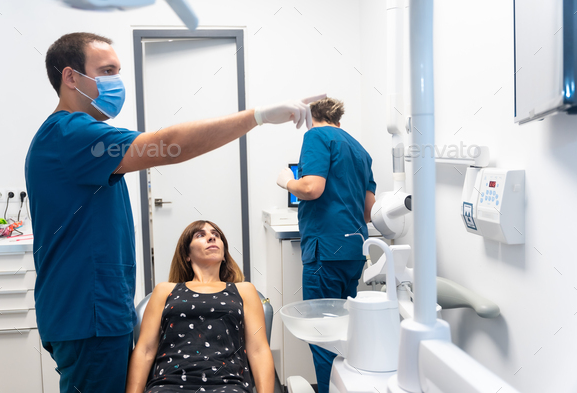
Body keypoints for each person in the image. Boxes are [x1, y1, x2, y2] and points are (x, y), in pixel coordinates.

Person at [25, 32, 322, 393]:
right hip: (89, 315)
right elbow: (167, 146)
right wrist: (256, 116)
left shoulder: (76, 138)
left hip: (94, 313)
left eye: (118, 71)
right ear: (71, 77)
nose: (116, 82)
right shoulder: (70, 134)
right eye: (106, 71)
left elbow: (257, 351)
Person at [275, 98, 376, 393]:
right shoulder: (360, 150)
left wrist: (286, 181)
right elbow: (368, 210)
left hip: (325, 250)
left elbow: (311, 188)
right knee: (345, 329)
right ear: (338, 122)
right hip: (354, 251)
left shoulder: (315, 136)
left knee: (321, 334)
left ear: (310, 118)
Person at [126, 220, 274, 393]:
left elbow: (258, 351)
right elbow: (145, 350)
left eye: (216, 235)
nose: (211, 237)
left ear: (224, 253)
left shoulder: (244, 291)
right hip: (169, 385)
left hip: (228, 384)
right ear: (187, 254)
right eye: (200, 235)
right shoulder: (165, 291)